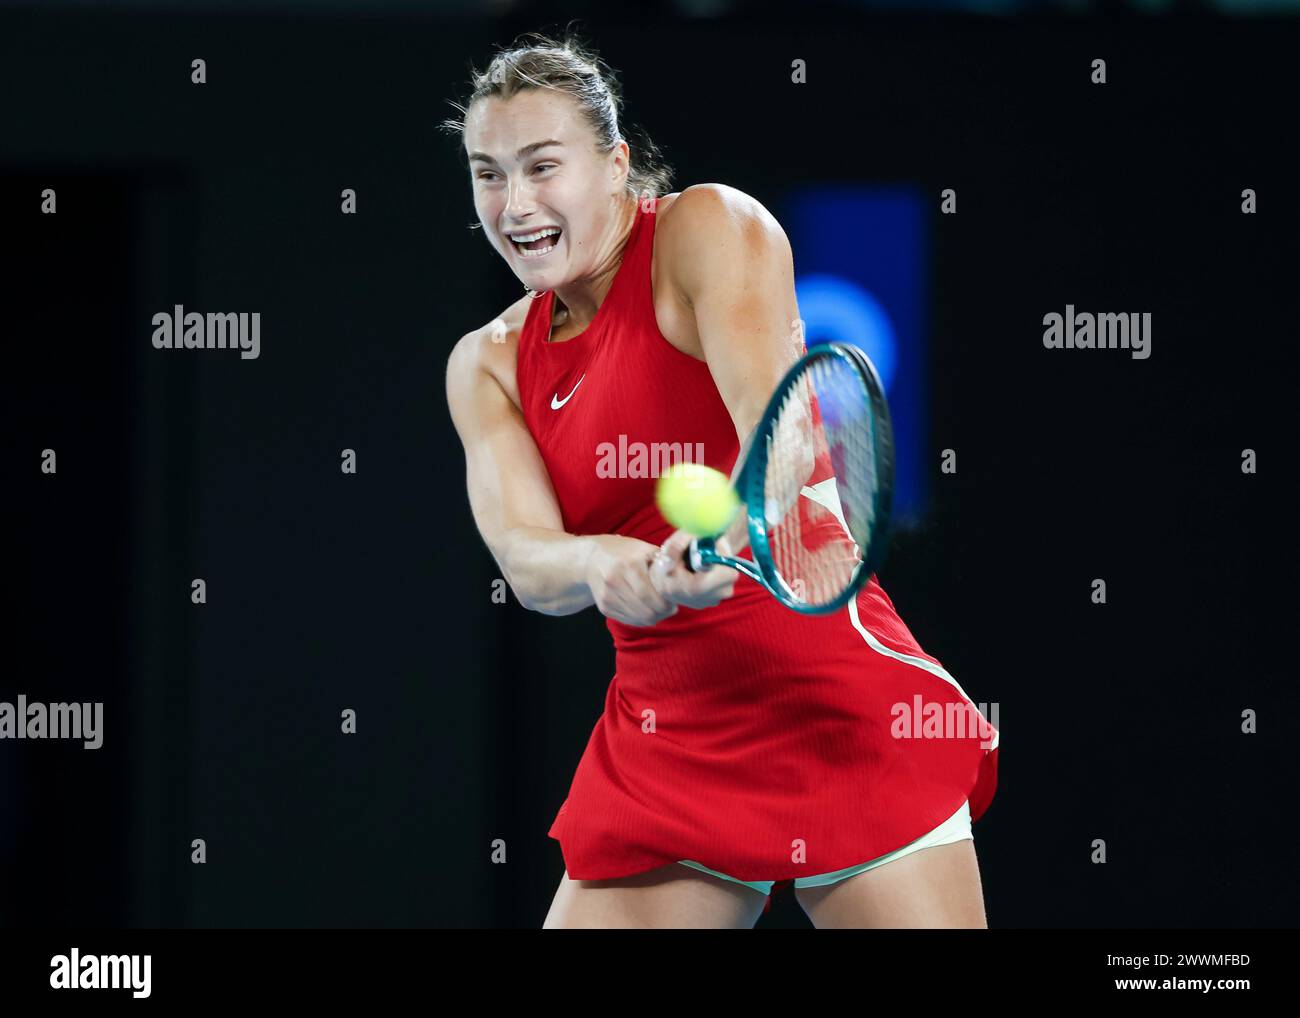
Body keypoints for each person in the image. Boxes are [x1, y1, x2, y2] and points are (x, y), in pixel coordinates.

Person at [443, 31, 998, 928]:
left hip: (839, 711)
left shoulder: (710, 229)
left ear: (617, 164)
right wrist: (601, 565)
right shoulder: (488, 364)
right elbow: (523, 556)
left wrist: (729, 534)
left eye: (544, 167)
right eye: (489, 173)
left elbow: (773, 431)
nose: (516, 203)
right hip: (668, 739)